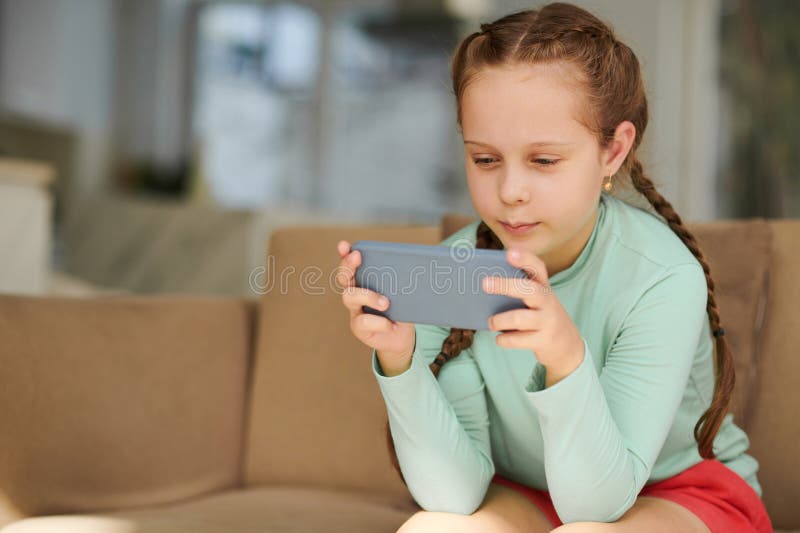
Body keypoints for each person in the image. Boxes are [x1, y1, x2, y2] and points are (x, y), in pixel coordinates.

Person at [335, 2, 773, 532]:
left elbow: (595, 508)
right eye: (485, 159)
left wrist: (565, 359)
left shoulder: (661, 278)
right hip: (535, 490)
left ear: (613, 150)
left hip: (676, 494)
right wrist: (399, 362)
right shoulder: (450, 272)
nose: (510, 192)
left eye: (543, 161)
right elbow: (451, 494)